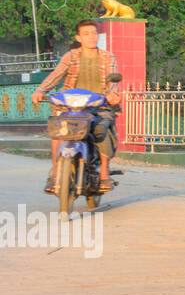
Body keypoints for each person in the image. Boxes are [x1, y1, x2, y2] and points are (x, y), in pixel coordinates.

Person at [33, 18, 121, 195]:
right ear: (78, 37)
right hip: (71, 106)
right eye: (86, 34)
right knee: (59, 128)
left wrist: (112, 94)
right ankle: (56, 171)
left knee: (102, 127)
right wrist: (40, 90)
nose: (91, 37)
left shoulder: (107, 57)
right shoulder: (70, 56)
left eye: (94, 33)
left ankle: (104, 171)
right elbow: (56, 75)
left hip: (98, 105)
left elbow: (113, 81)